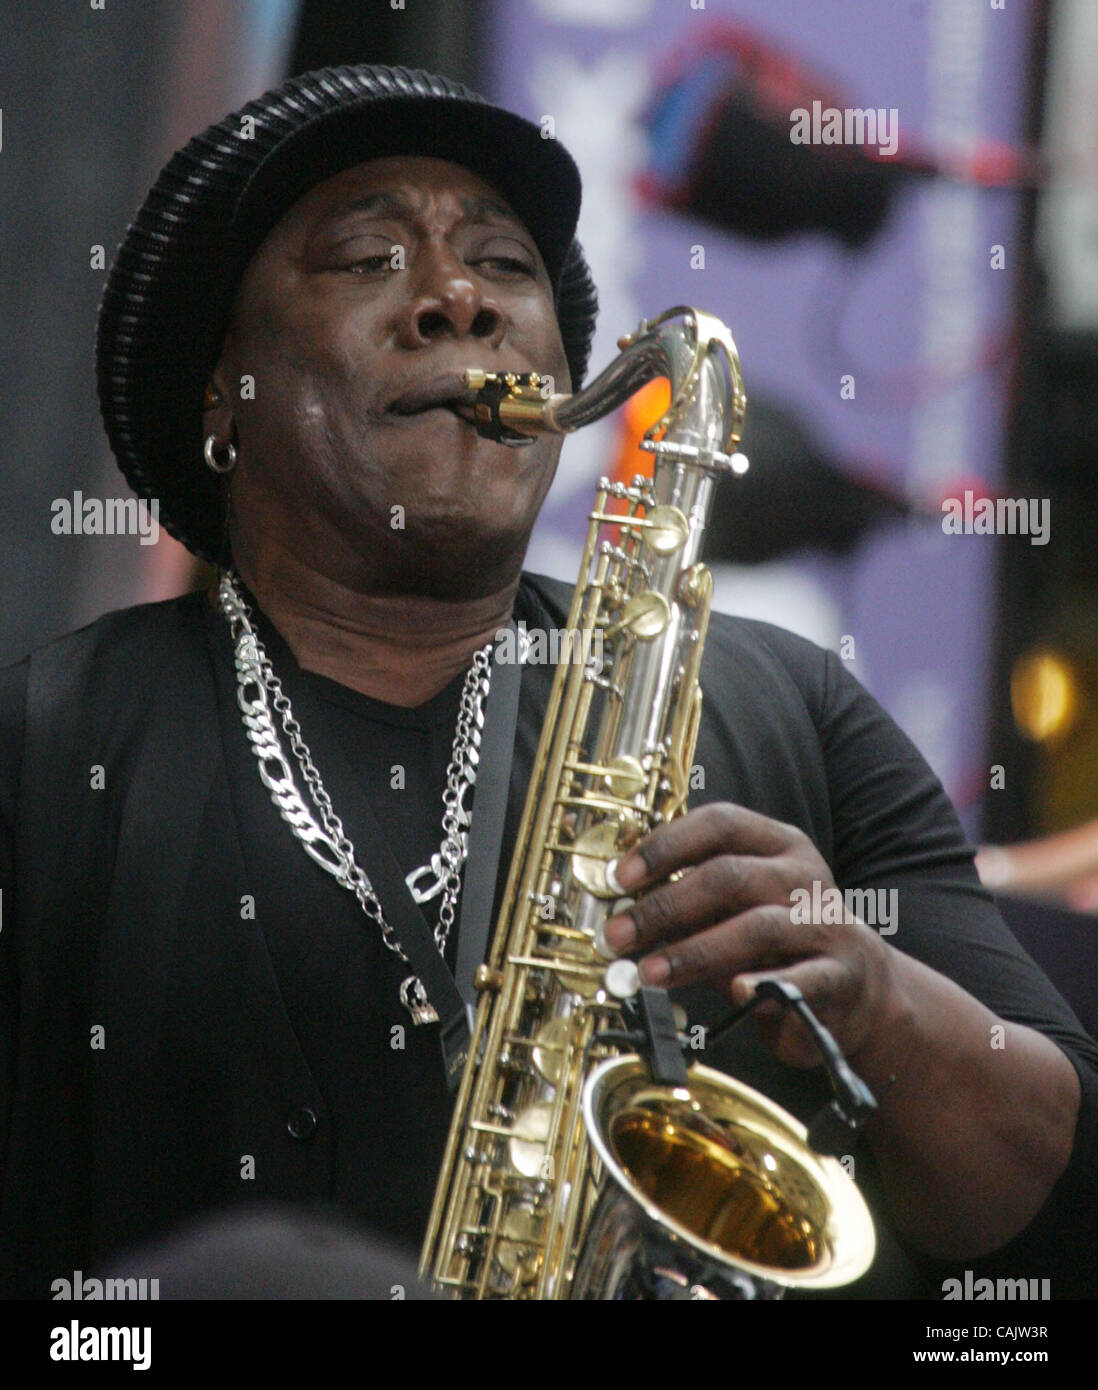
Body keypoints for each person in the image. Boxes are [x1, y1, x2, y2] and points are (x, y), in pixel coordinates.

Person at [1, 62, 1095, 1301]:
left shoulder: (795, 704)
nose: (458, 298)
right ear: (222, 395)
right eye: (368, 259)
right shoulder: (47, 751)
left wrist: (881, 996)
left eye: (506, 267)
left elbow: (1058, 1198)